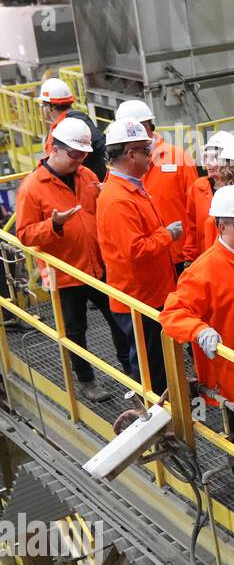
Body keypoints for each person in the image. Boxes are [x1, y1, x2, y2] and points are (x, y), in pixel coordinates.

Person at [15, 116, 132, 400]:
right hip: (65, 274)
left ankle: (131, 374)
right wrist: (53, 225)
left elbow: (96, 215)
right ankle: (86, 380)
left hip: (98, 266)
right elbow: (25, 235)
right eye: (74, 154)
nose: (78, 161)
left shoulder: (87, 176)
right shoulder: (32, 188)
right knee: (74, 330)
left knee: (119, 321)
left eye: (83, 155)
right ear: (54, 149)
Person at [161, 185, 234, 501]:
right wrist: (199, 329)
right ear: (221, 226)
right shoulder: (203, 271)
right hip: (231, 374)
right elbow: (172, 313)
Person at [96, 119, 181, 395]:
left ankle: (166, 409)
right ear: (131, 154)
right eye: (146, 151)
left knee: (157, 361)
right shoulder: (119, 199)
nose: (150, 157)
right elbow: (135, 251)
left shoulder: (130, 188)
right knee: (150, 367)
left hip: (150, 293)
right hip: (139, 299)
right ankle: (158, 422)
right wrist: (168, 235)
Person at [115, 99, 197, 276]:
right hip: (148, 258)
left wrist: (193, 252)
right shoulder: (120, 165)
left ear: (147, 126)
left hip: (180, 254)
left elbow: (196, 208)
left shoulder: (178, 157)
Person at [182, 131, 234, 263]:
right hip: (206, 260)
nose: (208, 163)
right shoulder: (198, 187)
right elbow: (192, 228)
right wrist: (189, 258)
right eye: (206, 158)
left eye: (215, 158)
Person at [39, 78, 105, 180]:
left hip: (83, 183)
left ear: (48, 107)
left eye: (42, 105)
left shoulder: (76, 123)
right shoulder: (61, 124)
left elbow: (101, 144)